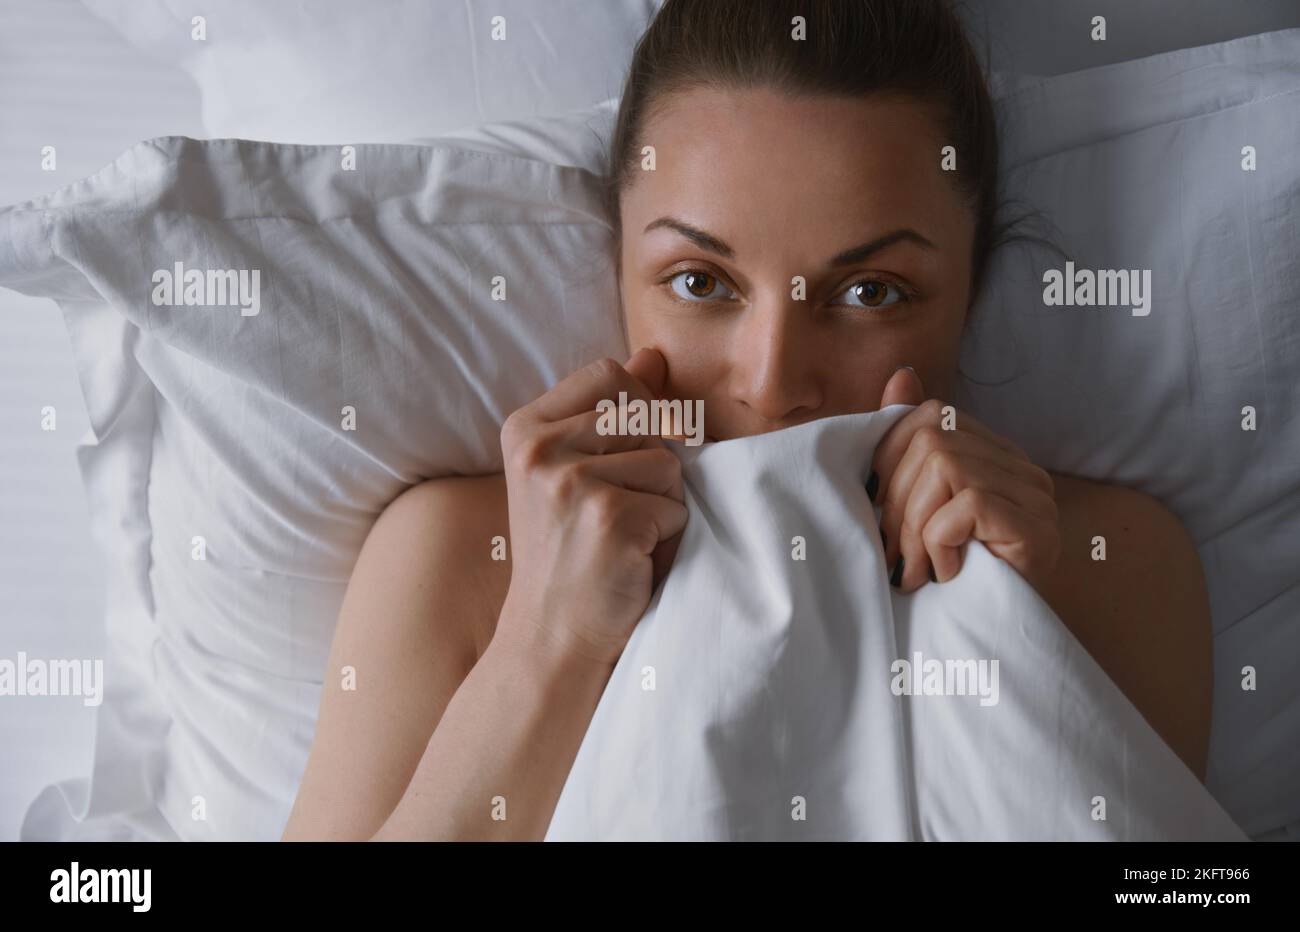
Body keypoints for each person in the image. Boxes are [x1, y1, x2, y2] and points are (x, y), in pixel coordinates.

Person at [282, 0, 1211, 842]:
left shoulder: (1111, 560)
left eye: (869, 292)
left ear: (970, 295)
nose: (773, 383)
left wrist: (1020, 639)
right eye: (701, 283)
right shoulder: (463, 558)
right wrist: (544, 641)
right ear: (620, 273)